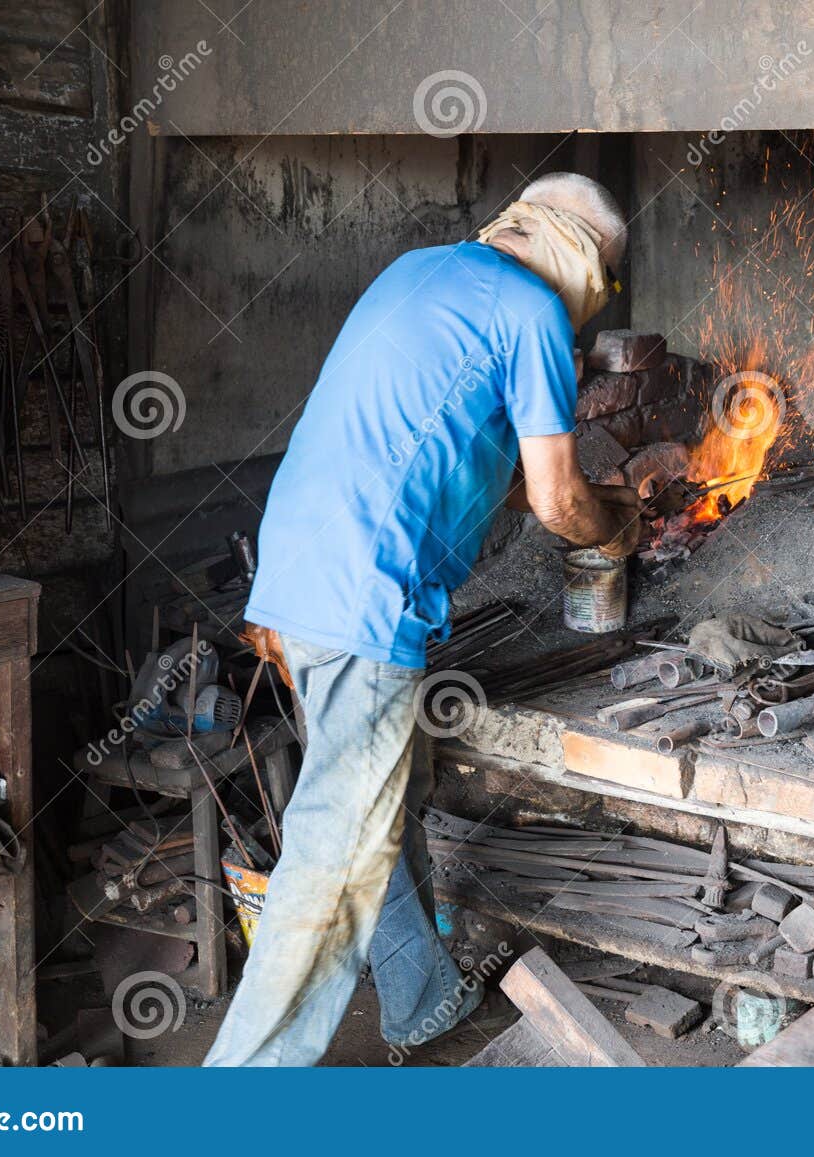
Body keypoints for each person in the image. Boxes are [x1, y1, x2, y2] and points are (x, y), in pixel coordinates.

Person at [204, 173, 640, 1066]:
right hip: (365, 591)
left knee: (375, 806)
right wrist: (618, 525)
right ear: (583, 260)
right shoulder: (532, 311)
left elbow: (490, 464)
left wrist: (578, 494)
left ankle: (420, 996)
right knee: (333, 865)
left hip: (297, 571)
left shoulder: (420, 270)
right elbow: (558, 504)